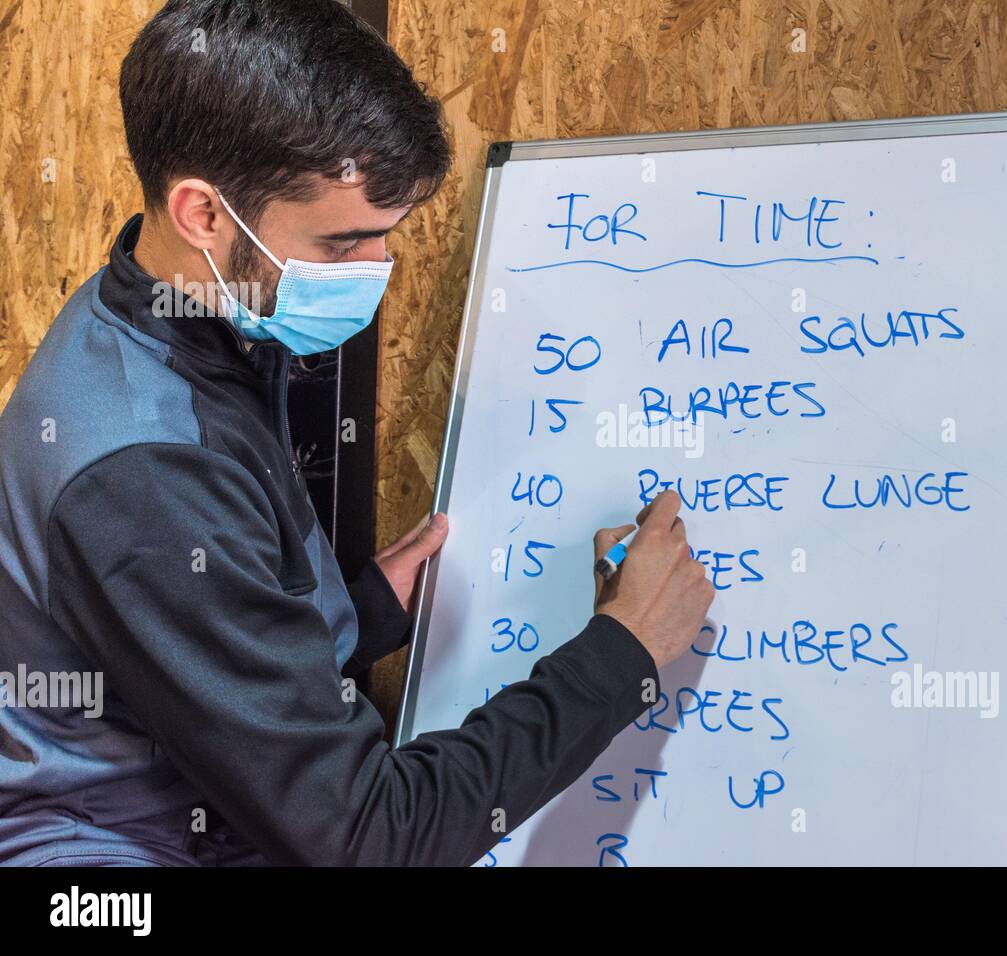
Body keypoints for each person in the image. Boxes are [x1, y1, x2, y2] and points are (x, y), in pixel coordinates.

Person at [0, 0, 714, 866]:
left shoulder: (161, 317)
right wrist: (624, 651)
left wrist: (359, 611)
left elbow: (184, 634)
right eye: (343, 246)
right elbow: (366, 839)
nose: (377, 273)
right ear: (205, 215)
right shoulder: (146, 470)